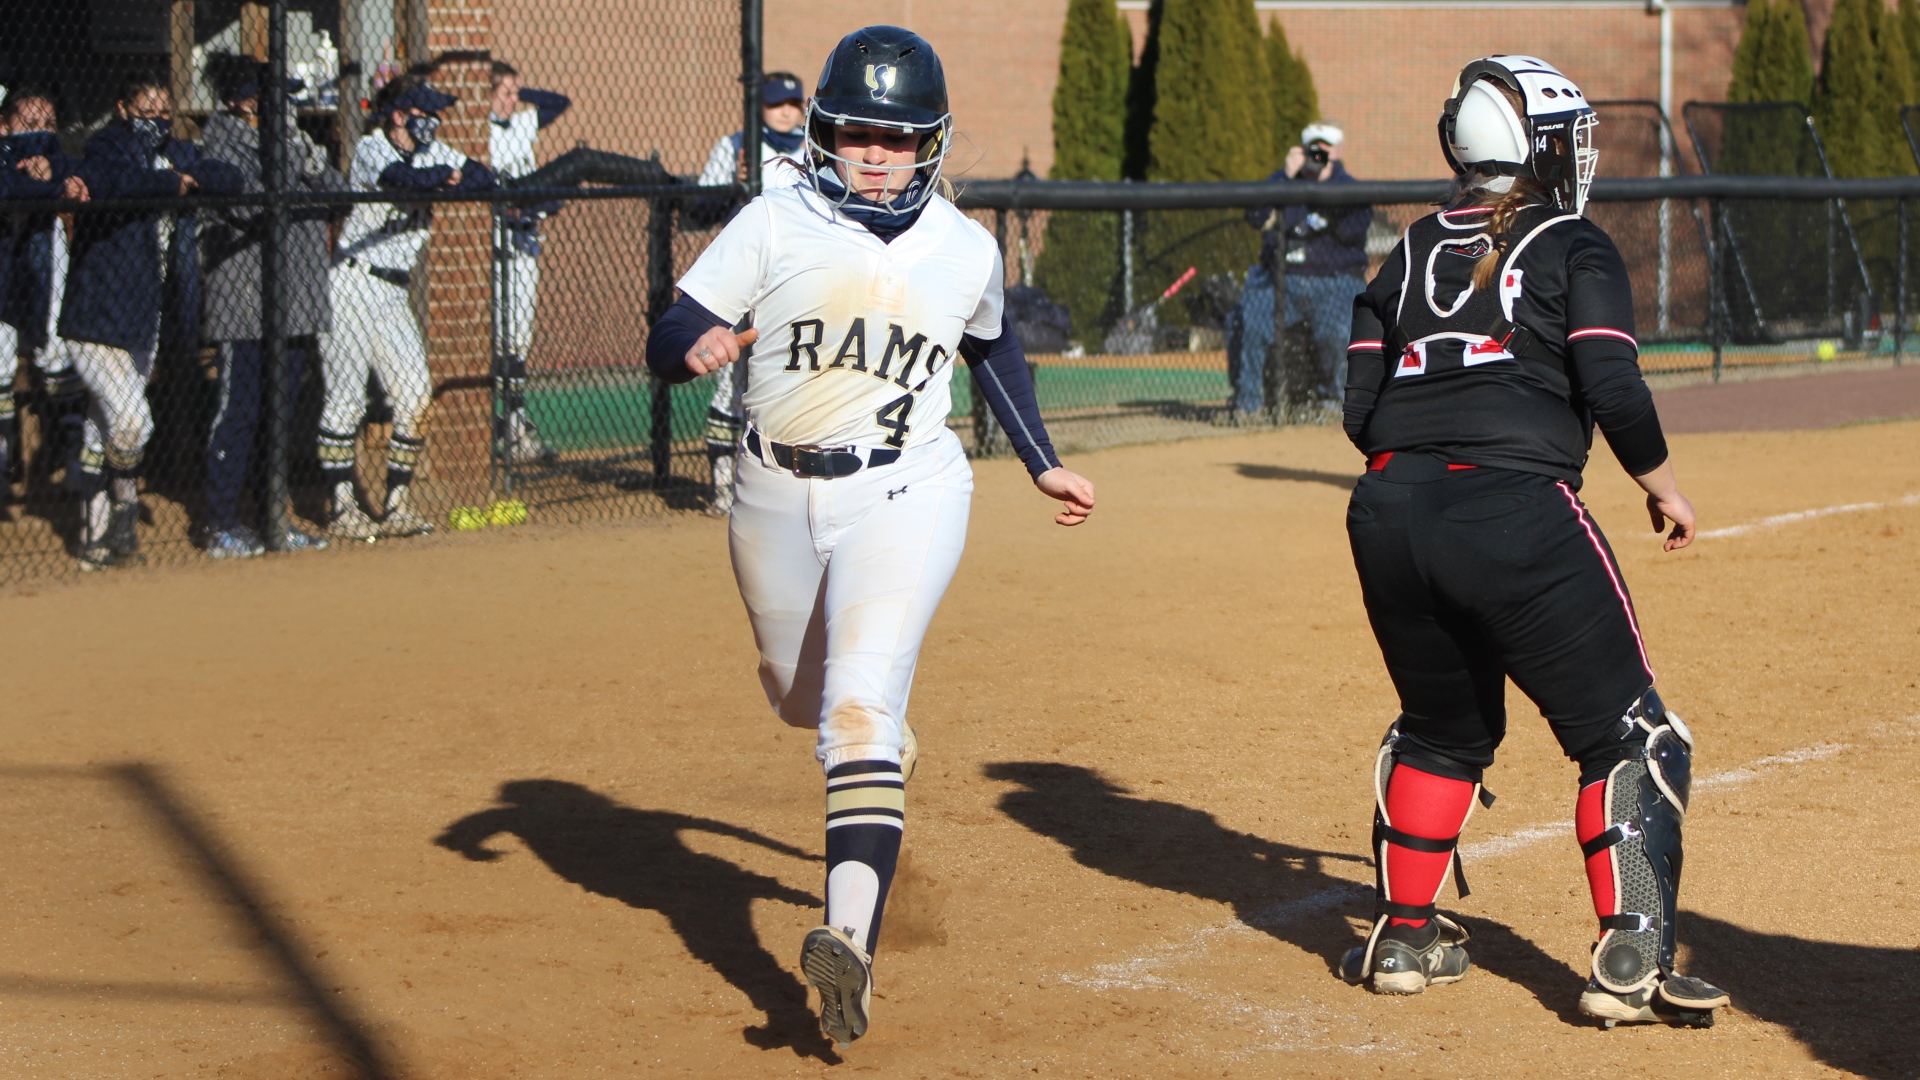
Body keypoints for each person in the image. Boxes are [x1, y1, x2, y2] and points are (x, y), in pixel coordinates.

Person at [644, 26, 1096, 1047]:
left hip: (908, 489)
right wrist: (692, 350)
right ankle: (879, 740)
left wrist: (1041, 461)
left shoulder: (963, 246)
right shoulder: (775, 219)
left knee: (853, 714)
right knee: (797, 696)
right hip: (771, 490)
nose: (876, 154)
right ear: (823, 134)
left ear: (930, 142)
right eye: (856, 133)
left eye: (897, 138)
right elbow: (671, 329)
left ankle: (848, 939)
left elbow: (994, 352)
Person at [1336, 56, 1728, 1029]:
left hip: (1386, 509)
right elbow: (1611, 381)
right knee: (1632, 738)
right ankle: (1631, 957)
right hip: (1512, 513)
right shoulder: (1572, 243)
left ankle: (1404, 935)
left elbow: (1359, 405)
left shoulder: (1411, 246)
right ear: (1541, 149)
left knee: (1443, 731)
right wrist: (1663, 486)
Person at [62, 73, 243, 570]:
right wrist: (169, 182)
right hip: (94, 315)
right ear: (123, 108)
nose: (157, 120)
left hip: (143, 316)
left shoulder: (176, 151)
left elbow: (229, 177)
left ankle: (96, 542)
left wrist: (194, 176)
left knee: (106, 431)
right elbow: (111, 182)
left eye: (165, 111)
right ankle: (124, 509)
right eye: (146, 110)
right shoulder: (107, 147)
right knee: (133, 420)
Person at [322, 75, 494, 540]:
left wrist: (449, 176)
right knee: (346, 401)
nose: (434, 123)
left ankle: (395, 505)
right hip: (352, 282)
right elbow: (401, 180)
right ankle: (341, 509)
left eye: (436, 115)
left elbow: (482, 175)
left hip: (394, 292)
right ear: (399, 115)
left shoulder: (434, 152)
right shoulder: (372, 146)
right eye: (424, 114)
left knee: (417, 397)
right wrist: (444, 178)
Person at [198, 55, 339, 557]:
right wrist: (288, 162)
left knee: (277, 417)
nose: (287, 107)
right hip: (246, 303)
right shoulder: (221, 142)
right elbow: (249, 205)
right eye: (274, 98)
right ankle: (219, 525)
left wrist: (314, 162)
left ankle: (273, 521)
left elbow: (342, 194)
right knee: (239, 412)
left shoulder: (292, 142)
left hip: (296, 300)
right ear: (244, 102)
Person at [695, 71, 810, 517]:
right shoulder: (735, 146)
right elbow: (699, 209)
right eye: (775, 103)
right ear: (758, 107)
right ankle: (723, 487)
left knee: (784, 382)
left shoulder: (813, 147)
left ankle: (775, 486)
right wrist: (731, 182)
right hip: (742, 281)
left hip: (792, 285)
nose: (785, 111)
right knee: (729, 385)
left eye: (792, 103)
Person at [1229, 123, 1370, 417]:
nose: (1318, 155)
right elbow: (1254, 215)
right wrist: (1285, 178)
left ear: (1338, 152)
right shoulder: (1283, 181)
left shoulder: (1351, 188)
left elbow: (1353, 232)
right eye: (1312, 149)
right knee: (1249, 322)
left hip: (1335, 280)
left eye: (1325, 149)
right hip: (1281, 280)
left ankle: (1333, 403)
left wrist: (1324, 196)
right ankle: (1248, 406)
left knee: (1338, 331)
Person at [0, 84, 87, 496]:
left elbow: (85, 173)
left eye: (49, 124)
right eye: (29, 124)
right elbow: (10, 189)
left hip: (47, 286)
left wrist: (57, 175)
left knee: (58, 354)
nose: (40, 133)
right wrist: (49, 186)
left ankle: (72, 459)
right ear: (4, 127)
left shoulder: (59, 161)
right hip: (3, 290)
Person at [488, 59, 569, 466]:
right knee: (499, 342)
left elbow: (559, 103)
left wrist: (521, 94)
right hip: (495, 248)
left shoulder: (518, 124)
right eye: (503, 92)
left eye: (513, 93)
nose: (511, 100)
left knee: (519, 343)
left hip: (525, 248)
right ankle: (505, 423)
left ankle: (514, 422)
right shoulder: (480, 130)